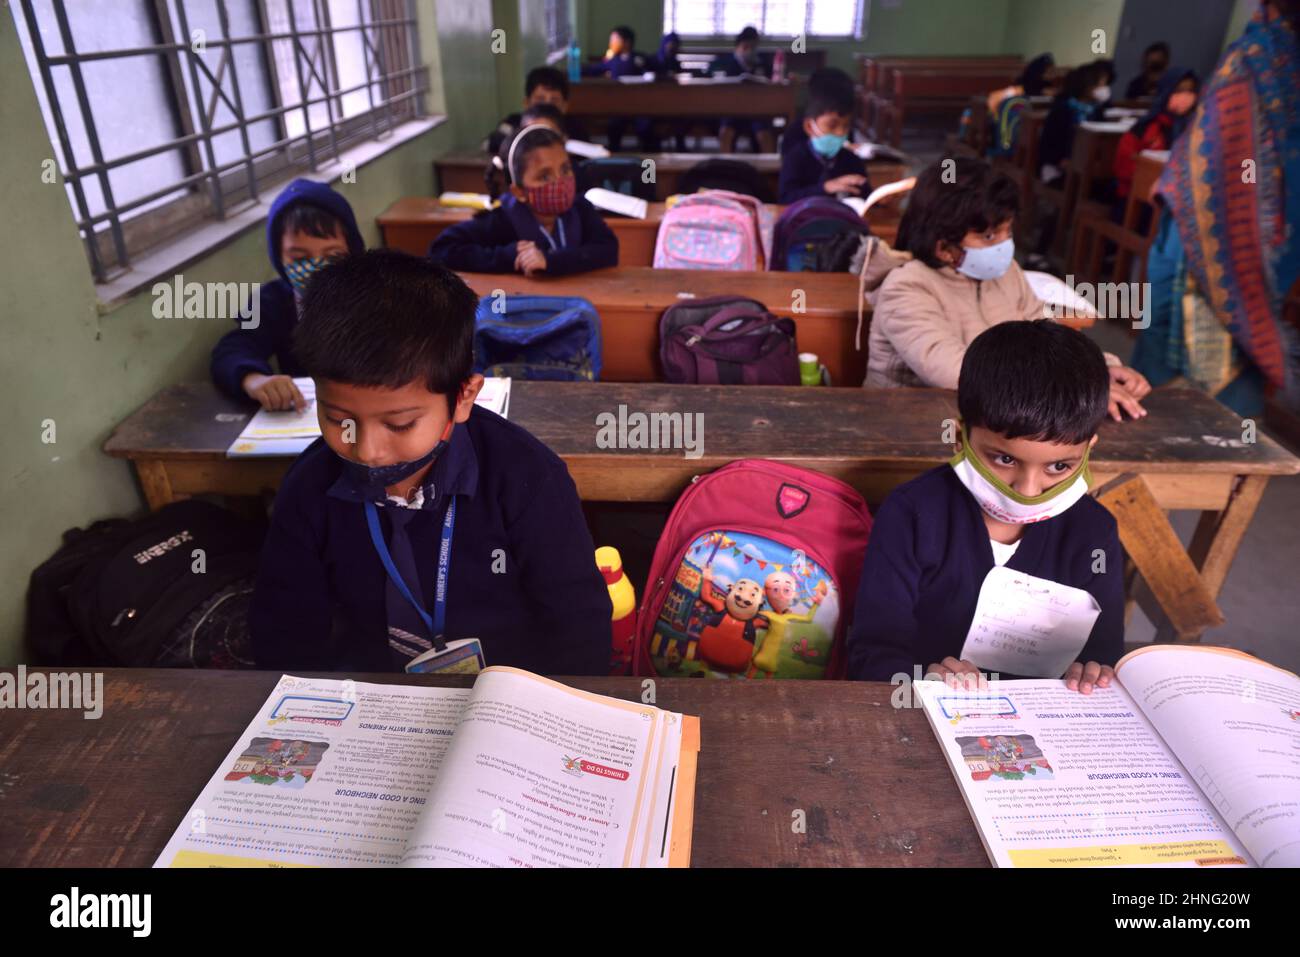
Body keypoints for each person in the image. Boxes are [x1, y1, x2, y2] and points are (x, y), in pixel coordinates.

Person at [249, 249, 612, 672]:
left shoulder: (529, 479)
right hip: (371, 699)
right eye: (337, 419)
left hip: (509, 696)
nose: (367, 450)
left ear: (463, 397)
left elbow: (579, 627)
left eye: (400, 424)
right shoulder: (309, 489)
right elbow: (284, 635)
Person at [847, 320, 1125, 693]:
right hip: (921, 717)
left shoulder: (1094, 532)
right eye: (1004, 460)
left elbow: (1101, 656)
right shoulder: (912, 515)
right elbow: (871, 655)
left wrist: (1093, 674)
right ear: (960, 436)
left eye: (1059, 466)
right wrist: (922, 683)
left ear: (1088, 450)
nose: (1028, 491)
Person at [865, 157, 1151, 422]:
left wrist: (1099, 368)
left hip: (986, 420)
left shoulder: (1004, 273)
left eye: (1008, 231)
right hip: (905, 423)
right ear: (943, 248)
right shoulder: (906, 288)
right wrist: (1079, 386)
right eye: (989, 236)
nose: (1004, 245)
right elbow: (959, 373)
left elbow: (1046, 335)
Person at [1133, 0, 1300, 417]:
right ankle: (1219, 442)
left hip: (1213, 233)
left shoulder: (1254, 58)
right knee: (1230, 356)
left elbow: (1209, 155)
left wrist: (1174, 181)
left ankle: (1170, 432)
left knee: (1181, 342)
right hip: (1273, 240)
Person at [210, 178, 363, 410]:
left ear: (352, 251)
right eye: (300, 258)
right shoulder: (272, 302)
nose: (316, 267)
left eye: (332, 255)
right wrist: (255, 379)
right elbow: (234, 349)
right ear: (279, 258)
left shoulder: (377, 295)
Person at [429, 125, 618, 275]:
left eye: (565, 170)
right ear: (519, 192)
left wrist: (551, 261)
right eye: (544, 177)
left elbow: (609, 249)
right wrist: (508, 256)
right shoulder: (502, 220)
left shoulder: (579, 208)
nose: (560, 182)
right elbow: (441, 249)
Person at [778, 67, 870, 203]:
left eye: (845, 126)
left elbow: (865, 193)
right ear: (809, 127)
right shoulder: (796, 156)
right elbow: (786, 198)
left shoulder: (851, 159)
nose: (840, 133)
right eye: (832, 126)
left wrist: (880, 201)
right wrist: (825, 188)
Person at [1111, 67, 1198, 205]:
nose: (1186, 96)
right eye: (1179, 90)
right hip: (1134, 200)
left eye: (1190, 90)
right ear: (1166, 92)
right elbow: (1123, 167)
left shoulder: (1194, 129)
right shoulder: (1145, 127)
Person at [708, 26, 776, 153]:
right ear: (739, 46)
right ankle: (725, 166)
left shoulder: (762, 63)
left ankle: (770, 169)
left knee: (764, 134)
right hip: (732, 111)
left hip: (757, 111)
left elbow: (773, 79)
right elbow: (712, 77)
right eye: (747, 46)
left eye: (754, 46)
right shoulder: (725, 62)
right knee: (726, 132)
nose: (750, 50)